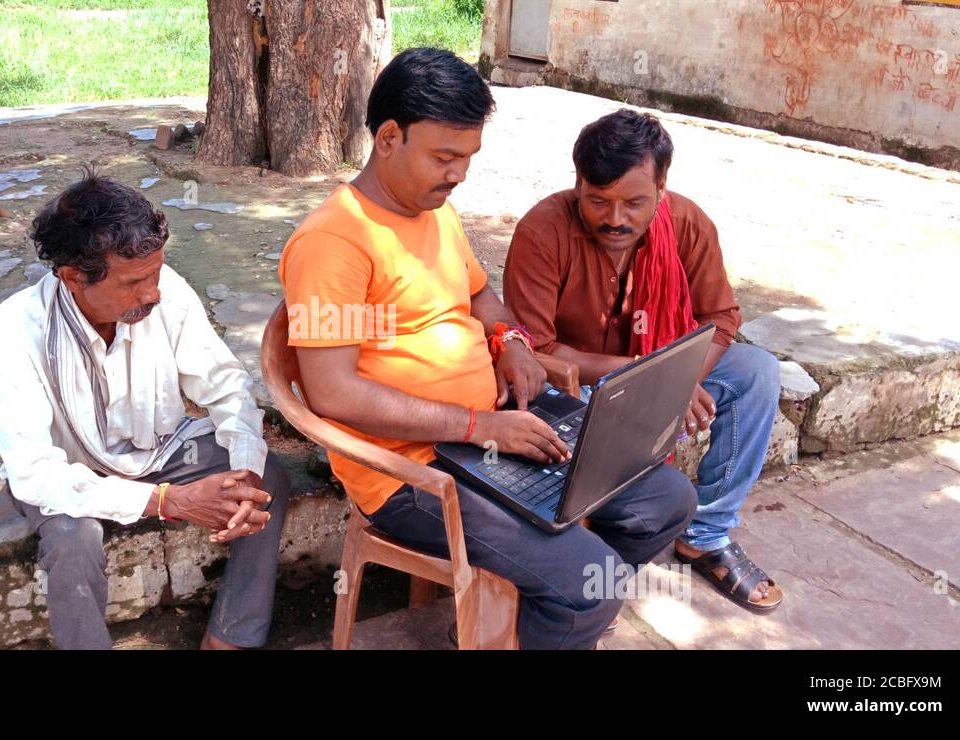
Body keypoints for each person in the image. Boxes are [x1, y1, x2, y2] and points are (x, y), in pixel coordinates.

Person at [278, 49, 696, 649]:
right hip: (414, 472)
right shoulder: (336, 243)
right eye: (444, 157)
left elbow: (481, 297)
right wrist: (479, 426)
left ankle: (527, 624)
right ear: (389, 138)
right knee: (590, 585)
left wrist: (512, 341)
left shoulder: (432, 211)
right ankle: (560, 612)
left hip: (493, 431)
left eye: (467, 159)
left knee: (666, 501)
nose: (457, 175)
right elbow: (333, 393)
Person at [0, 171, 290, 649]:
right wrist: (169, 501)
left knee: (265, 473)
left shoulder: (162, 287)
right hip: (70, 473)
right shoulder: (14, 329)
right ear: (72, 277)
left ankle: (232, 635)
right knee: (71, 540)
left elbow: (226, 386)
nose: (153, 293)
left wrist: (243, 476)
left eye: (155, 273)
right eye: (133, 283)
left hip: (159, 452)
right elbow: (34, 474)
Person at [503, 109, 783, 612]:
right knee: (581, 420)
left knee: (756, 372)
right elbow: (536, 348)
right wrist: (650, 380)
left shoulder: (686, 223)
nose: (615, 218)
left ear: (661, 186)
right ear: (577, 184)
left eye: (634, 202)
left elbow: (719, 317)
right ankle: (587, 561)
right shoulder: (544, 231)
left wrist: (676, 381)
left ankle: (708, 533)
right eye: (598, 200)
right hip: (577, 392)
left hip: (664, 370)